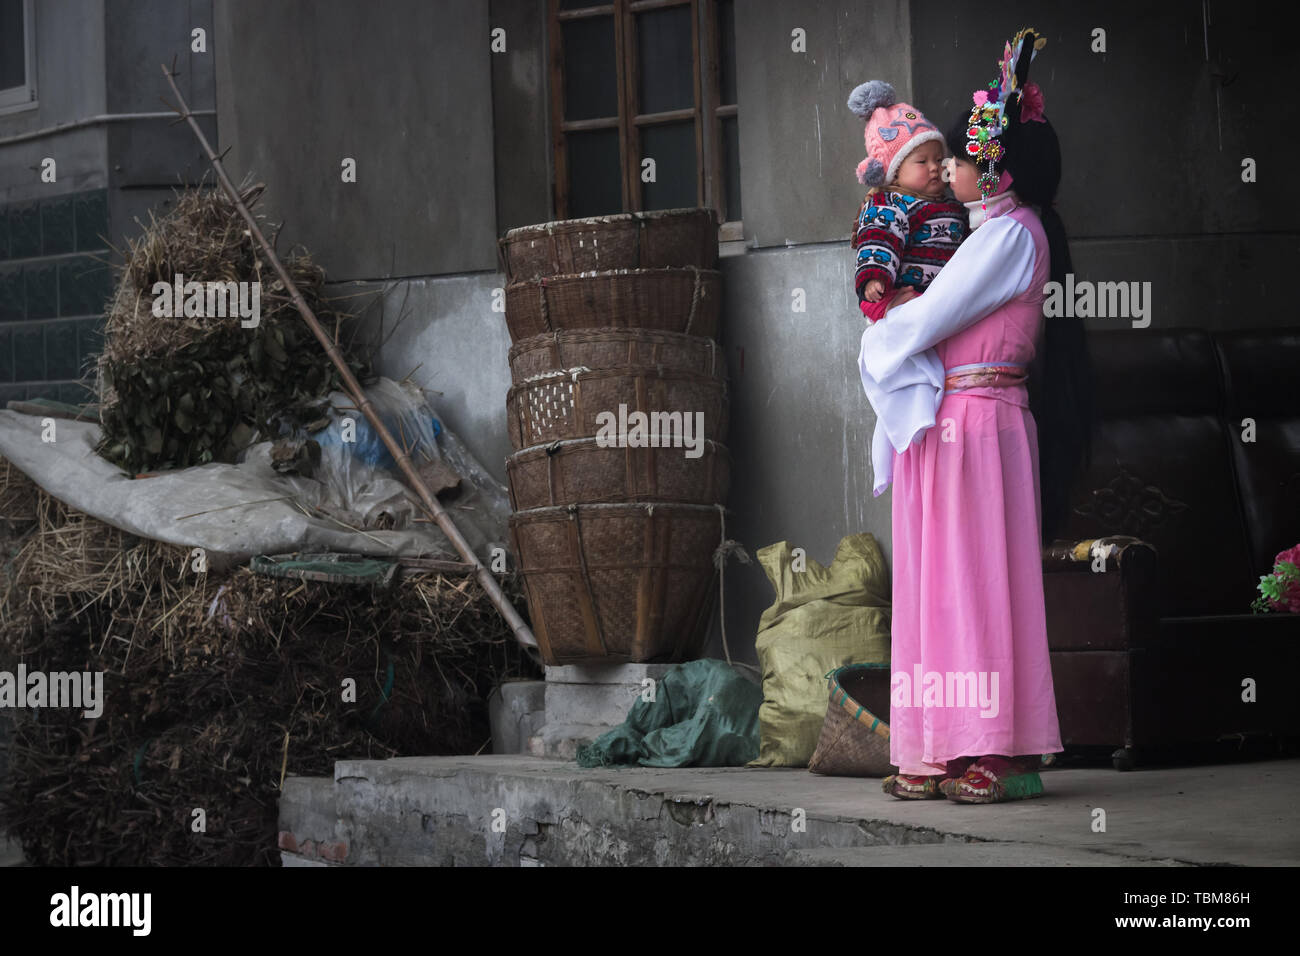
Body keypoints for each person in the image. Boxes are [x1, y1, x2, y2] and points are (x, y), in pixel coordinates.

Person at [857, 28, 1093, 803]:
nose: (946, 169)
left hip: (983, 425)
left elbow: (927, 323)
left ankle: (1005, 749)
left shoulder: (1011, 237)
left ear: (990, 162)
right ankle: (934, 745)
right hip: (943, 428)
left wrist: (881, 332)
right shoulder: (976, 234)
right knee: (933, 588)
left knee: (980, 585)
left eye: (956, 157)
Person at [847, 82, 967, 324]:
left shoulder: (952, 207)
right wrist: (874, 278)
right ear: (895, 171)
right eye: (922, 161)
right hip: (902, 298)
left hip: (940, 301)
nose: (935, 167)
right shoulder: (890, 204)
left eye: (938, 158)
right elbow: (879, 237)